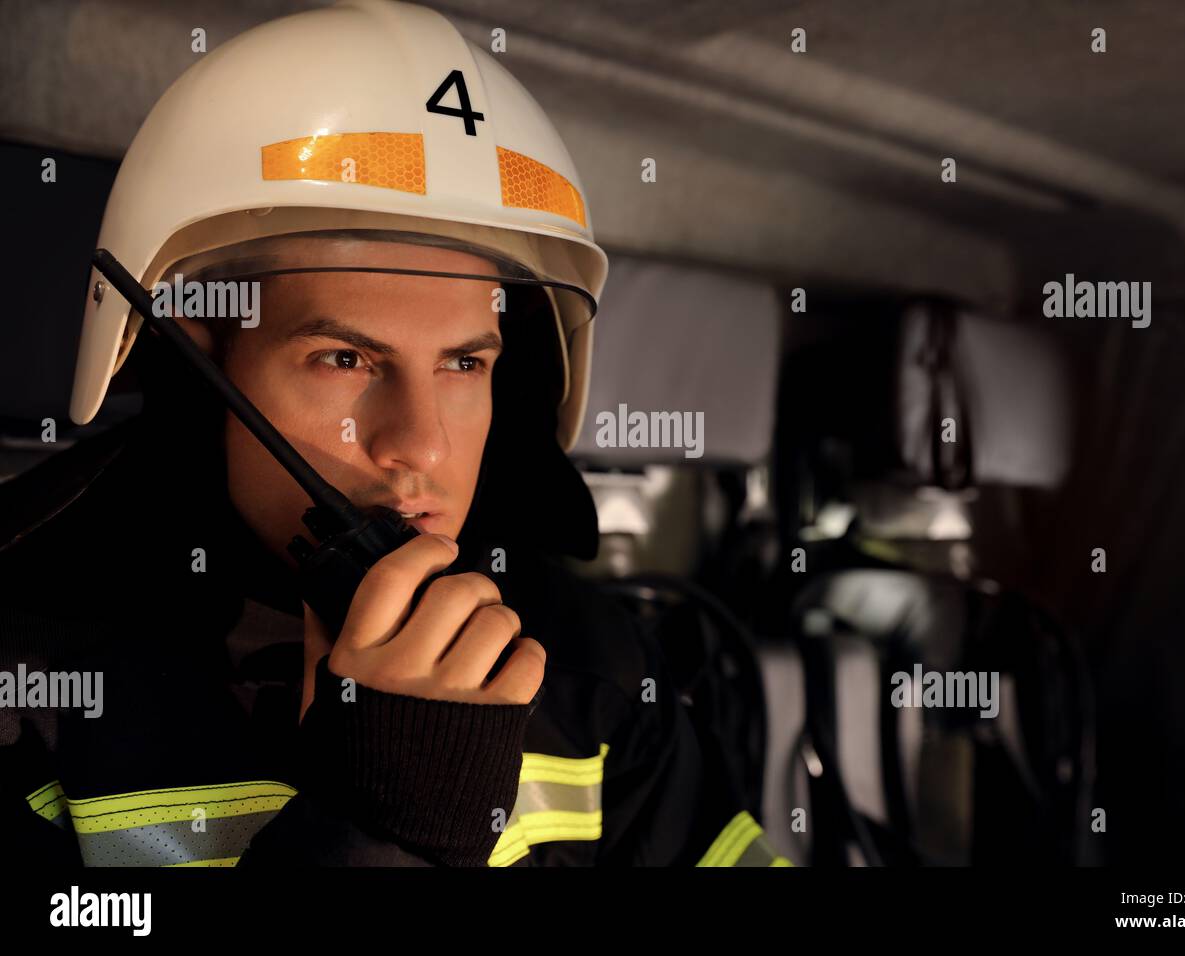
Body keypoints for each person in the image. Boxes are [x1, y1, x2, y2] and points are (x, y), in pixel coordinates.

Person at [0, 0, 788, 868]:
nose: (422, 447)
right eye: (344, 359)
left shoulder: (591, 663)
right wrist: (382, 828)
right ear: (196, 367)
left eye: (464, 365)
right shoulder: (32, 692)